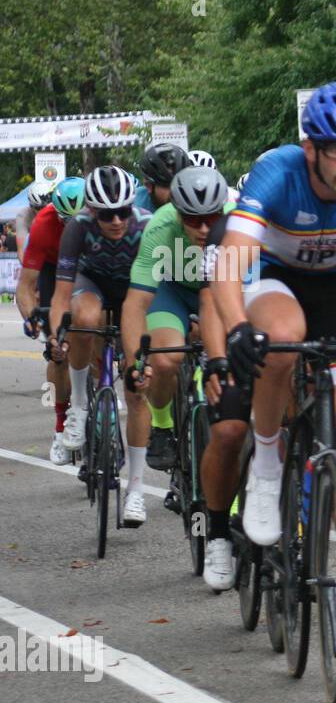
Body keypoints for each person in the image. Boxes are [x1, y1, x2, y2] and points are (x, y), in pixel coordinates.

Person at [204, 82, 336, 577]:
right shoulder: (278, 172)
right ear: (311, 148)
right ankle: (269, 466)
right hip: (276, 276)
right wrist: (235, 328)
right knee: (278, 337)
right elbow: (228, 264)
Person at [50, 166, 153, 526]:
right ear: (92, 210)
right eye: (106, 214)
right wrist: (56, 334)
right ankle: (78, 405)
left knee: (137, 387)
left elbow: (158, 293)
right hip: (91, 282)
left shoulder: (146, 225)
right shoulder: (78, 226)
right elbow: (62, 295)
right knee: (85, 317)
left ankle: (136, 491)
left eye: (122, 211)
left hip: (133, 291)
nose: (115, 221)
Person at [123, 167, 234, 484]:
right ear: (177, 213)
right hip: (172, 292)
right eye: (191, 220)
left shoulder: (237, 224)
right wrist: (134, 362)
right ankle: (162, 425)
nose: (202, 229)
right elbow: (135, 303)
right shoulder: (160, 227)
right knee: (165, 357)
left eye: (211, 219)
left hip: (219, 290)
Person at [15, 178, 84, 464]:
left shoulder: (102, 221)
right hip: (54, 268)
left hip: (87, 265)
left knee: (92, 332)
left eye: (77, 220)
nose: (72, 227)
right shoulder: (43, 225)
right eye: (65, 221)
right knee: (58, 354)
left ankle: (96, 410)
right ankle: (59, 429)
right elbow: (25, 286)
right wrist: (32, 316)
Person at [134, 142, 189, 214]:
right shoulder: (134, 206)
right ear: (148, 186)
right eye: (169, 185)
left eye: (181, 184)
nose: (177, 191)